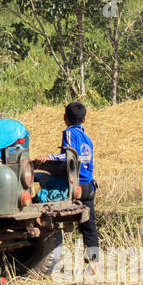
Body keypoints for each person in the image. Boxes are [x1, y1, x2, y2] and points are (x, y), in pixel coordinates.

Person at [32, 100, 99, 261]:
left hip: (74, 184)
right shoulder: (88, 139)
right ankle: (94, 261)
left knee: (40, 196)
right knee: (89, 226)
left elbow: (69, 156)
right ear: (84, 120)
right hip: (89, 186)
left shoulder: (69, 133)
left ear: (65, 118)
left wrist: (48, 158)